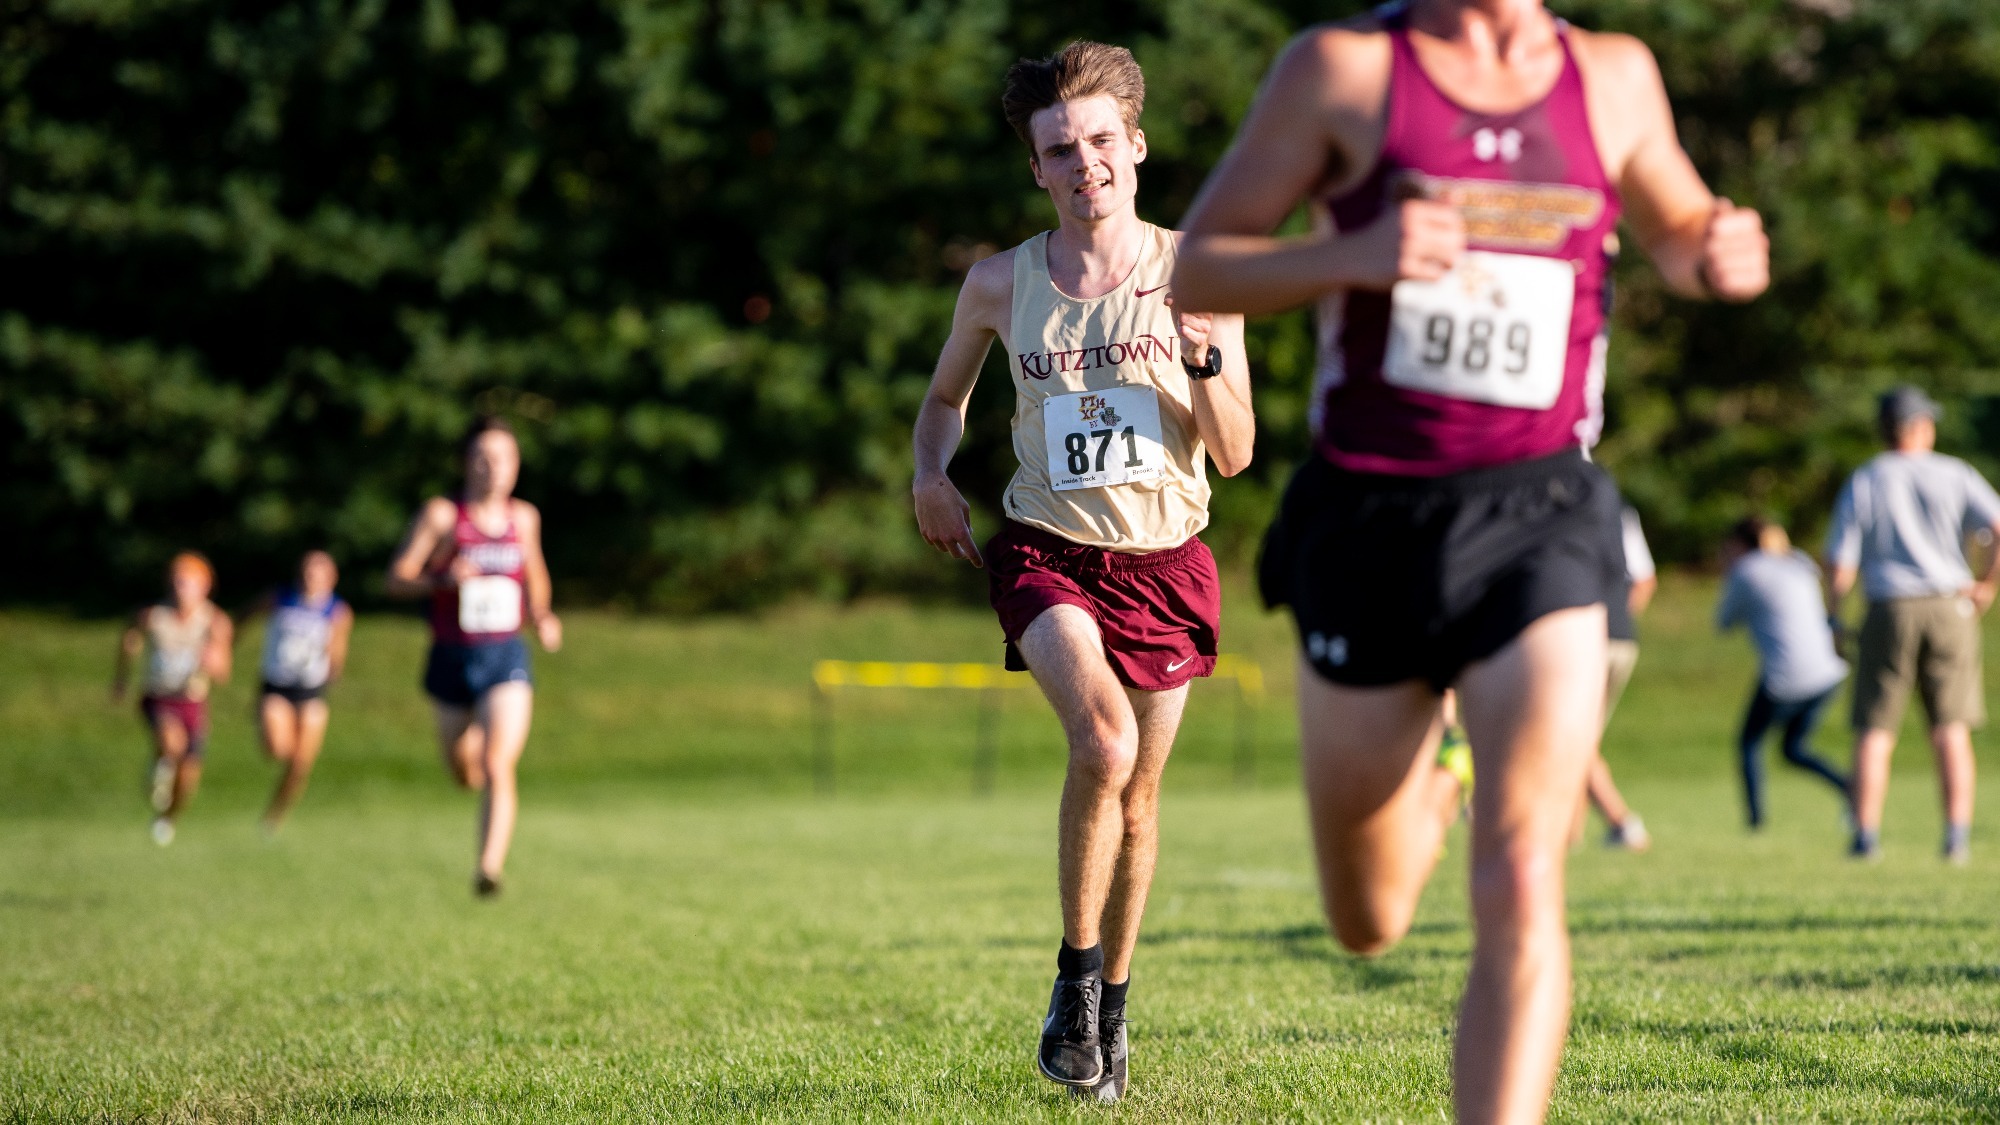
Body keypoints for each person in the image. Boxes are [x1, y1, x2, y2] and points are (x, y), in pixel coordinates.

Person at [1173, 0, 1769, 1118]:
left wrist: (1712, 253)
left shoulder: (1611, 76)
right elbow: (1197, 270)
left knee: (1523, 871)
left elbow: (1680, 227)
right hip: (1367, 523)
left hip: (1539, 511)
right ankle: (1438, 784)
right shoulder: (1342, 70)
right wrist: (1351, 253)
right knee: (1367, 920)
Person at [911, 41, 1254, 1103]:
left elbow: (1236, 453)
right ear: (1036, 167)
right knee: (1099, 740)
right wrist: (930, 471)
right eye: (1059, 149)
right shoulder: (997, 282)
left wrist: (1198, 359)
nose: (1083, 164)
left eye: (1100, 141)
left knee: (1139, 799)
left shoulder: (1201, 270)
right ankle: (1070, 979)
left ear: (1135, 147)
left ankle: (1109, 1000)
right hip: (1044, 549)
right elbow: (943, 403)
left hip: (1166, 562)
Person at [386, 417, 563, 897]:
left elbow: (536, 573)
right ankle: (473, 783)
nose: (494, 468)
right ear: (467, 463)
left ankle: (489, 867)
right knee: (466, 769)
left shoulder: (524, 518)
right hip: (451, 654)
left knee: (498, 761)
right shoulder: (443, 516)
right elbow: (396, 576)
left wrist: (543, 614)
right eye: (483, 458)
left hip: (505, 653)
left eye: (503, 458)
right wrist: (440, 578)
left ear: (516, 465)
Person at [1826, 386, 2000, 863]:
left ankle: (1865, 835)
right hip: (1949, 604)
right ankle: (1956, 835)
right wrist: (1987, 583)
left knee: (1876, 729)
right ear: (1921, 426)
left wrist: (1835, 615)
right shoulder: (1955, 472)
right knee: (1950, 726)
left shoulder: (1867, 478)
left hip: (1888, 606)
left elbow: (1840, 558)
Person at [1717, 517, 1850, 829]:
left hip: (1786, 677)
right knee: (1793, 749)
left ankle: (1755, 821)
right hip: (1829, 673)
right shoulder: (1799, 561)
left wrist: (1731, 576)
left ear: (1738, 545)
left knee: (1749, 743)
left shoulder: (1745, 571)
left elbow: (1724, 622)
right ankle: (1852, 788)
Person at [114, 552, 234, 845]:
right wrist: (121, 676)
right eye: (178, 582)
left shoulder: (214, 622)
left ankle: (168, 817)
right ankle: (161, 762)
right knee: (172, 742)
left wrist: (212, 661)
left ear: (204, 586)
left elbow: (223, 673)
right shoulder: (155, 616)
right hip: (159, 697)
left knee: (188, 779)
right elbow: (131, 635)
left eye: (189, 583)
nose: (182, 588)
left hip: (192, 702)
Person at [254, 550, 354, 834]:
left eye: (320, 572)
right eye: (309, 570)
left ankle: (274, 817)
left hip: (311, 689)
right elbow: (244, 616)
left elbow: (338, 650)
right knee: (278, 748)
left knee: (300, 765)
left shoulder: (337, 611)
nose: (313, 577)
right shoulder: (280, 599)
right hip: (277, 685)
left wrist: (332, 667)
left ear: (331, 578)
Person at [1582, 504, 1656, 850]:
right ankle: (1571, 830)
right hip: (1623, 638)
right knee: (1584, 738)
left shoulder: (1550, 495)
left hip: (1583, 635)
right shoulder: (1617, 507)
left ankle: (1622, 822)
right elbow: (1644, 581)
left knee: (1573, 740)